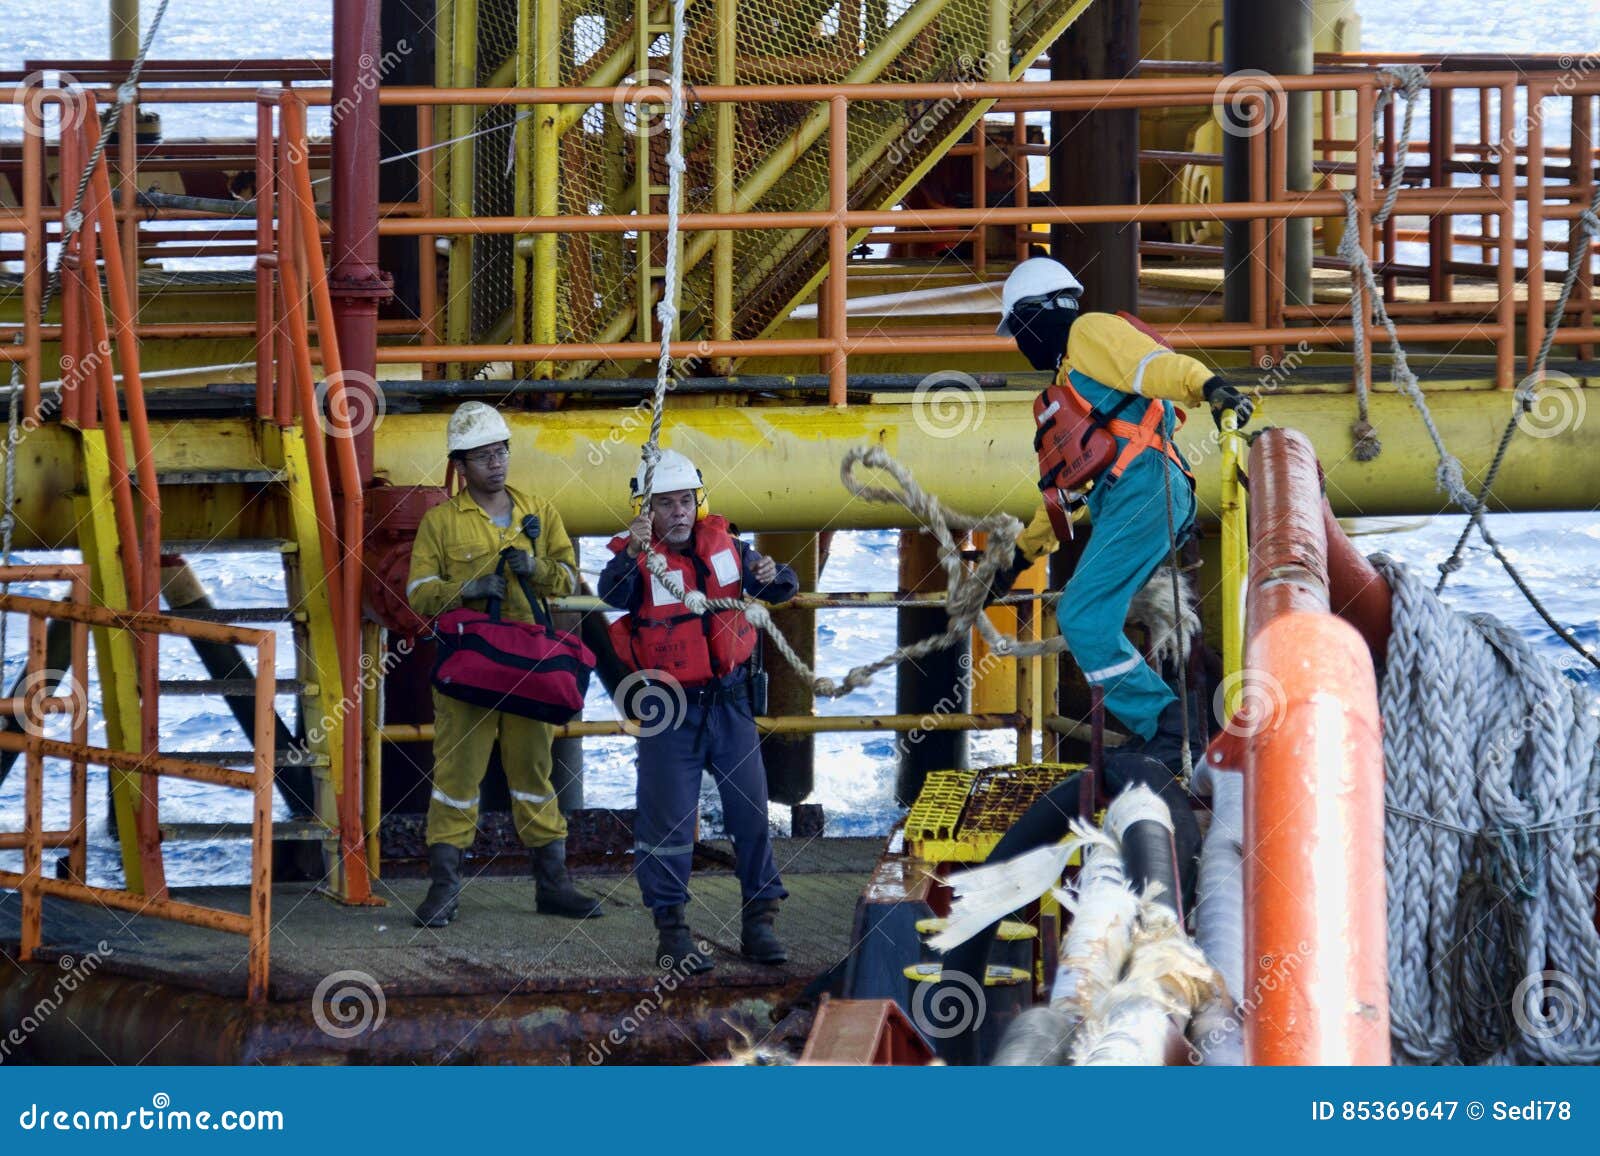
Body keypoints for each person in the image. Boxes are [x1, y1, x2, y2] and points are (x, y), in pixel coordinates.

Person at [990, 258, 1254, 769]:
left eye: (1018, 328)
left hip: (1145, 491)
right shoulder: (1070, 384)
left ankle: (1168, 725)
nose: (1020, 344)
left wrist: (1209, 386)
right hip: (1127, 498)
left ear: (1036, 315)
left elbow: (1153, 365)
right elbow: (1063, 494)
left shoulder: (1090, 332)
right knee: (1099, 615)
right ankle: (1202, 726)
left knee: (1083, 615)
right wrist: (1018, 558)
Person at [599, 449, 797, 974]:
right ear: (648, 510)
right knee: (666, 822)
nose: (679, 513)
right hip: (669, 707)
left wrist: (776, 573)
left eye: (685, 501)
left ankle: (760, 923)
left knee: (751, 815)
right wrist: (630, 554)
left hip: (730, 701)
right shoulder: (638, 564)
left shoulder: (730, 547)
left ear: (698, 501)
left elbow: (779, 586)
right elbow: (612, 592)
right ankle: (672, 933)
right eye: (665, 504)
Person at [406, 401, 603, 927]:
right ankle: (444, 889)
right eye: (483, 456)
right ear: (460, 466)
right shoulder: (440, 525)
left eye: (501, 452)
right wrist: (466, 588)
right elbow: (418, 595)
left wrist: (536, 568)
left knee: (533, 775)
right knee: (455, 778)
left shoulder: (539, 512)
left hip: (527, 673)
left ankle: (553, 885)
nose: (496, 463)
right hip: (469, 674)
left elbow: (568, 578)